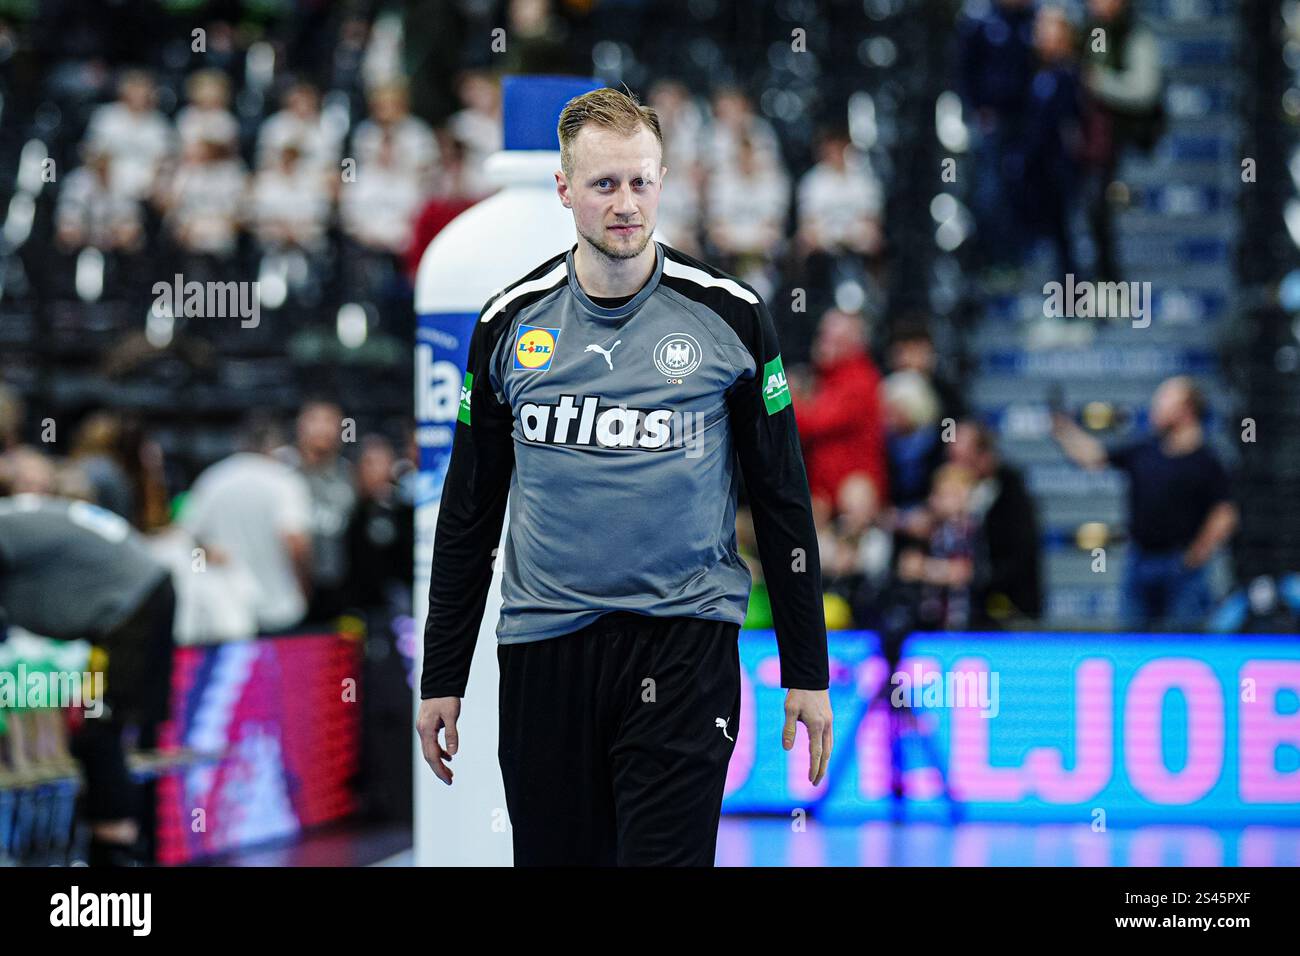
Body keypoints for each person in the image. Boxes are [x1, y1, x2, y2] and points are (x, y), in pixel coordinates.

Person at [417, 86, 832, 867]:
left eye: (641, 181)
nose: (626, 204)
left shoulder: (732, 316)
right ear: (565, 190)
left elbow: (782, 500)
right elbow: (469, 510)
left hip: (684, 647)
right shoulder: (507, 323)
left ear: (664, 181)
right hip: (546, 647)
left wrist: (807, 668)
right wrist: (443, 673)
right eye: (605, 184)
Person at [0, 492, 176, 866]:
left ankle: (116, 851)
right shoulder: (16, 516)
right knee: (101, 729)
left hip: (131, 611)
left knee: (100, 728)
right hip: (131, 603)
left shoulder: (9, 526)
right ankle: (115, 845)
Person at [1051, 376, 1238, 629]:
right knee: (1133, 638)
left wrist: (1197, 553)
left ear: (1186, 409)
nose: (1156, 406)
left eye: (1164, 400)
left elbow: (1224, 513)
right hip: (1140, 560)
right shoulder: (1145, 450)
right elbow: (1093, 457)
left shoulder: (1207, 461)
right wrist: (1065, 430)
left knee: (1182, 640)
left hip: (1181, 566)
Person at [179, 415, 313, 634]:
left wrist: (202, 571)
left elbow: (190, 539)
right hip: (280, 609)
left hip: (228, 614)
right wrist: (305, 589)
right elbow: (296, 542)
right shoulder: (284, 481)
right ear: (274, 446)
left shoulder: (213, 479)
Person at [792, 309, 888, 513]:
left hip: (848, 496)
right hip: (823, 492)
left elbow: (812, 424)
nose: (822, 345)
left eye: (833, 339)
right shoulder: (825, 377)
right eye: (823, 336)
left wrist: (783, 395)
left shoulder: (859, 380)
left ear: (855, 344)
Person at [948, 420, 1043, 625]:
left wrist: (977, 577)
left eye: (963, 460)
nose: (956, 468)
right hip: (963, 609)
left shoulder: (1010, 492)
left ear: (984, 457)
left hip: (1008, 608)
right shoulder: (948, 495)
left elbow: (1019, 554)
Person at [276, 400, 357, 623]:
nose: (323, 428)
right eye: (315, 420)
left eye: (330, 421)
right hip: (288, 589)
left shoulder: (348, 473)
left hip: (335, 589)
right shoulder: (281, 471)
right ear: (300, 426)